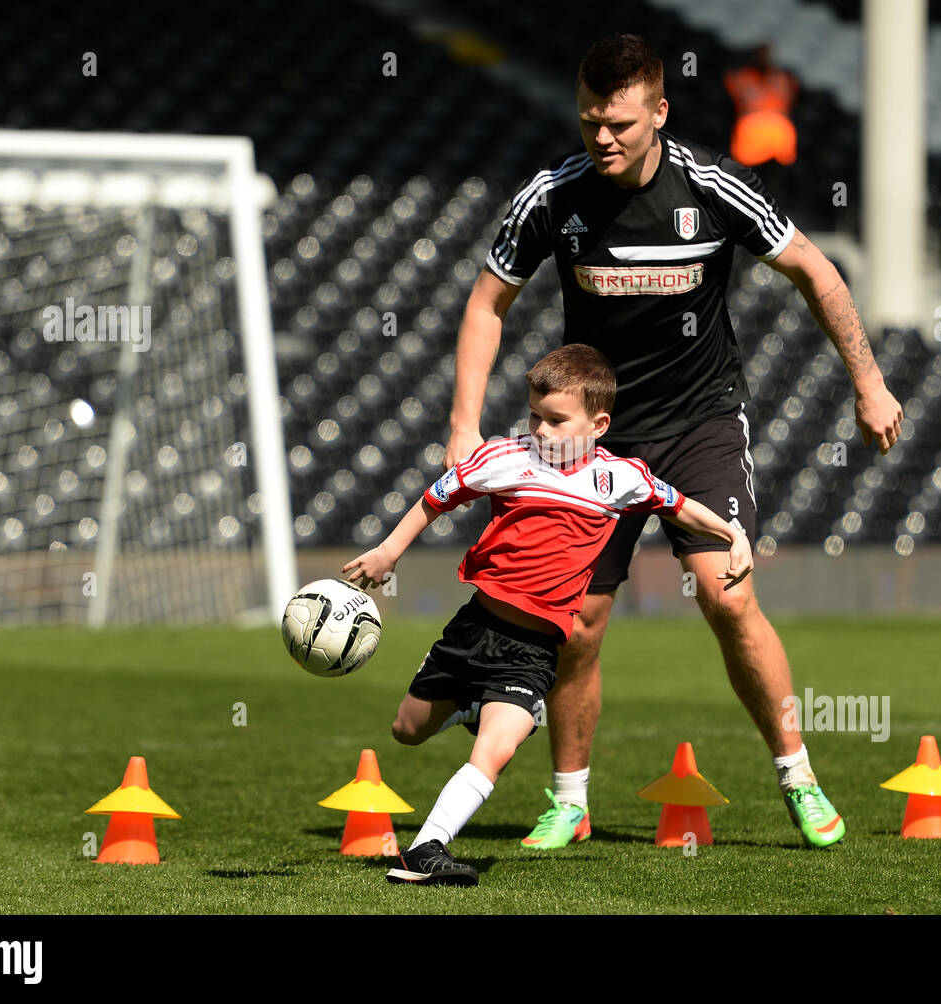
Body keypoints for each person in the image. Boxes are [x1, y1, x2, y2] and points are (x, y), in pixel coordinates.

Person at [443, 33, 903, 852]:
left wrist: (868, 382)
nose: (603, 139)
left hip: (701, 423)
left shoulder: (716, 186)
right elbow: (487, 304)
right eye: (590, 123)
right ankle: (570, 802)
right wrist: (464, 427)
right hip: (593, 441)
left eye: (619, 123)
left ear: (661, 111)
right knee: (577, 620)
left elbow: (817, 272)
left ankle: (798, 775)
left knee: (727, 596)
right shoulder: (552, 195)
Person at [343, 344, 753, 885]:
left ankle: (427, 849)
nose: (540, 429)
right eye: (534, 415)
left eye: (556, 420)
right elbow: (435, 499)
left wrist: (732, 531)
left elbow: (680, 504)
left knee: (498, 748)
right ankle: (470, 706)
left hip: (533, 652)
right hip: (474, 630)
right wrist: (388, 552)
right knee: (406, 729)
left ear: (599, 423)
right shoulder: (501, 458)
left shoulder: (619, 478)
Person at [724, 42, 799, 211]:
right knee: (750, 184)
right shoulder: (739, 78)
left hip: (779, 140)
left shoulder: (784, 78)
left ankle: (776, 219)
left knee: (775, 187)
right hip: (750, 141)